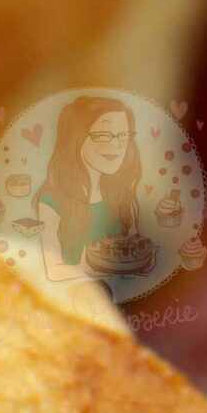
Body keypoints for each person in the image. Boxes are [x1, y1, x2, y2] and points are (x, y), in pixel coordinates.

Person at [35, 94, 154, 304]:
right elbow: (49, 272)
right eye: (103, 136)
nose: (117, 146)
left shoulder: (123, 196)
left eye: (123, 136)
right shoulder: (51, 201)